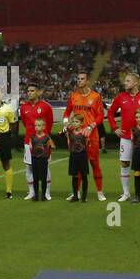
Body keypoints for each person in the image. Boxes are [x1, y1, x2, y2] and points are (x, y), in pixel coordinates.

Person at [107, 73, 140, 202]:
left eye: (128, 81)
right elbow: (110, 113)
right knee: (125, 164)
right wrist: (115, 127)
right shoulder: (121, 97)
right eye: (125, 81)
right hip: (125, 136)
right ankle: (126, 193)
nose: (125, 83)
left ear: (136, 82)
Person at [63, 73, 106, 201]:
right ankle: (76, 192)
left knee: (94, 163)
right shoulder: (73, 96)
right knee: (77, 165)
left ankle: (100, 192)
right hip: (76, 137)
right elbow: (67, 112)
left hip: (91, 136)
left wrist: (90, 126)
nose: (79, 81)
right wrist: (66, 123)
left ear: (87, 81)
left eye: (82, 79)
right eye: (78, 79)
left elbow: (100, 116)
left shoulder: (95, 96)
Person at [19, 84, 54, 200]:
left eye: (32, 91)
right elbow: (24, 123)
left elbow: (50, 123)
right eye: (28, 91)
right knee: (28, 167)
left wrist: (45, 138)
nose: (29, 93)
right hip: (29, 141)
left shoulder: (46, 106)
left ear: (38, 92)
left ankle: (47, 192)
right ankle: (32, 192)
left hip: (43, 142)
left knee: (45, 167)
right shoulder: (23, 107)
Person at [65, 112, 93, 202]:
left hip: (82, 155)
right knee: (74, 176)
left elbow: (88, 143)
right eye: (73, 122)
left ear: (81, 123)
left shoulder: (84, 133)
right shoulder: (70, 132)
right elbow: (62, 135)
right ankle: (75, 195)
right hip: (73, 155)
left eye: (76, 122)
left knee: (84, 176)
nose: (74, 123)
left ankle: (84, 196)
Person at [29, 118, 53, 202]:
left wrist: (47, 156)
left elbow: (50, 147)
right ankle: (36, 195)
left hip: (43, 159)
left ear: (43, 127)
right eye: (35, 125)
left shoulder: (46, 138)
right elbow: (31, 147)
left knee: (43, 178)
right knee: (35, 177)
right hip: (35, 159)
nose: (36, 127)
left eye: (39, 125)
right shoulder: (32, 137)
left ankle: (43, 195)